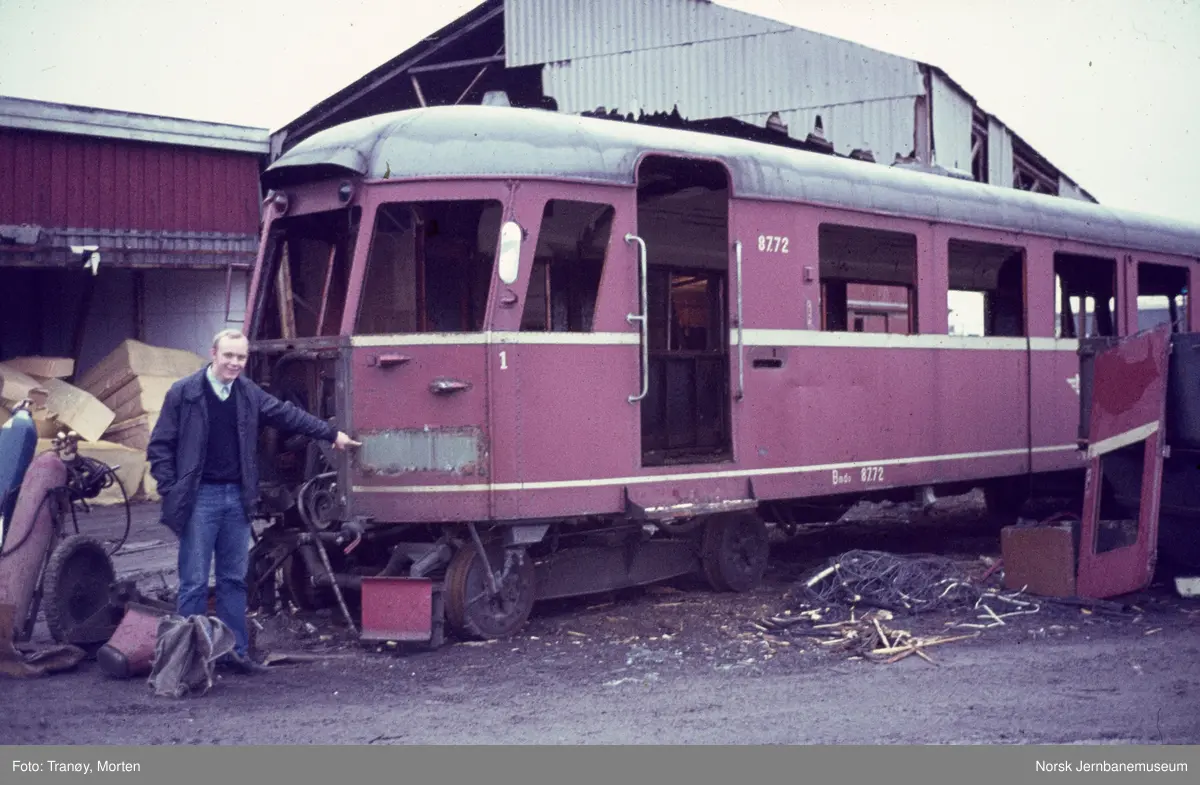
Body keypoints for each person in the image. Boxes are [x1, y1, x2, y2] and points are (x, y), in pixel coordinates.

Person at [147, 329, 360, 674]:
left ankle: (235, 655)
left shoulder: (248, 394)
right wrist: (171, 488)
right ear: (213, 353)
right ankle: (186, 663)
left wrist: (331, 433)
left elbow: (288, 415)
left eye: (241, 357)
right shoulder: (184, 393)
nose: (234, 363)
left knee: (234, 580)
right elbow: (160, 447)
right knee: (194, 582)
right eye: (228, 355)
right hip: (198, 498)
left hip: (237, 498)